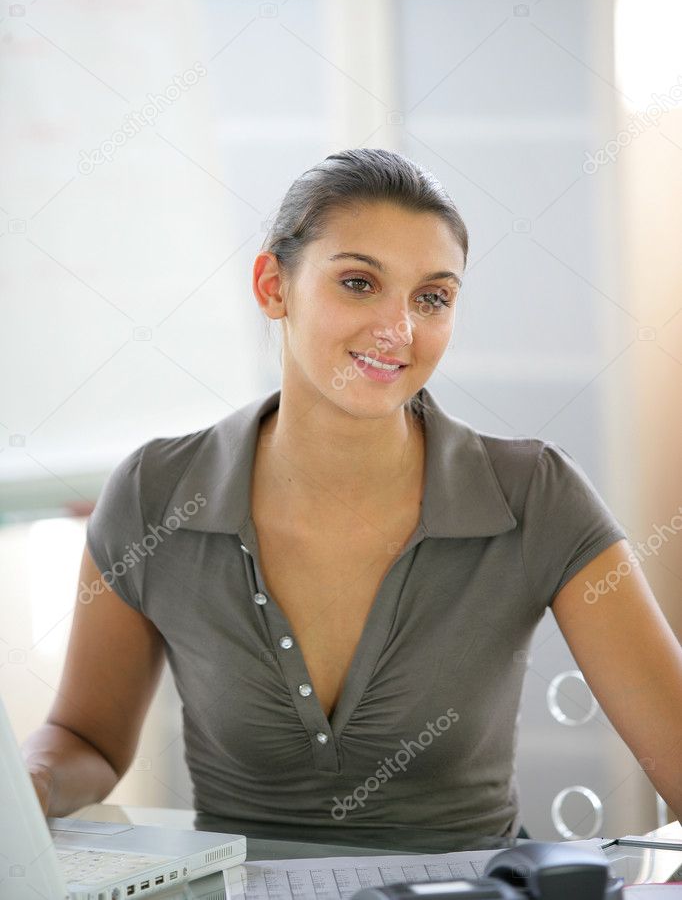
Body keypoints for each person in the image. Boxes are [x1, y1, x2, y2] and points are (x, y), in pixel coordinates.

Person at [22, 148, 682, 851]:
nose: (399, 328)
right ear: (273, 286)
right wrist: (29, 780)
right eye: (360, 283)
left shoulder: (534, 496)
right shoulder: (155, 495)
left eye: (432, 297)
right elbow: (84, 737)